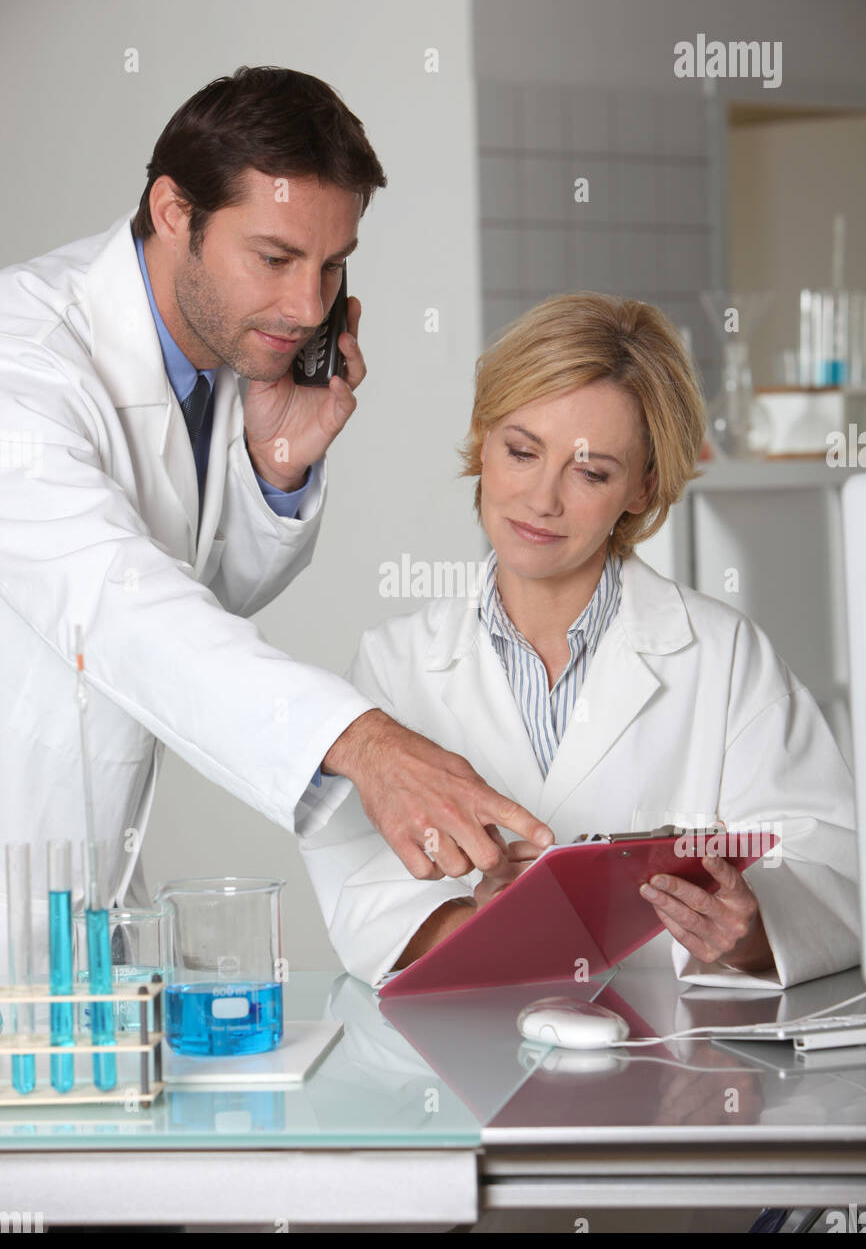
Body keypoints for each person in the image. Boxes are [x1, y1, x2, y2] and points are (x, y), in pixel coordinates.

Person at [0, 66, 553, 964]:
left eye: (333, 265)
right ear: (176, 212)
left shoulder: (223, 359)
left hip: (78, 909)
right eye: (276, 257)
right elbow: (114, 603)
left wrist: (272, 466)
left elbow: (194, 598)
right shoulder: (20, 363)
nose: (307, 308)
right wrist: (363, 743)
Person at [299, 292, 860, 989]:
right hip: (466, 1061)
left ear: (643, 487)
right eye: (522, 451)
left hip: (684, 1069)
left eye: (591, 471)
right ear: (482, 440)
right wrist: (487, 930)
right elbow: (358, 878)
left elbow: (830, 864)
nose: (543, 499)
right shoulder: (395, 662)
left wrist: (749, 932)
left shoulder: (723, 657)